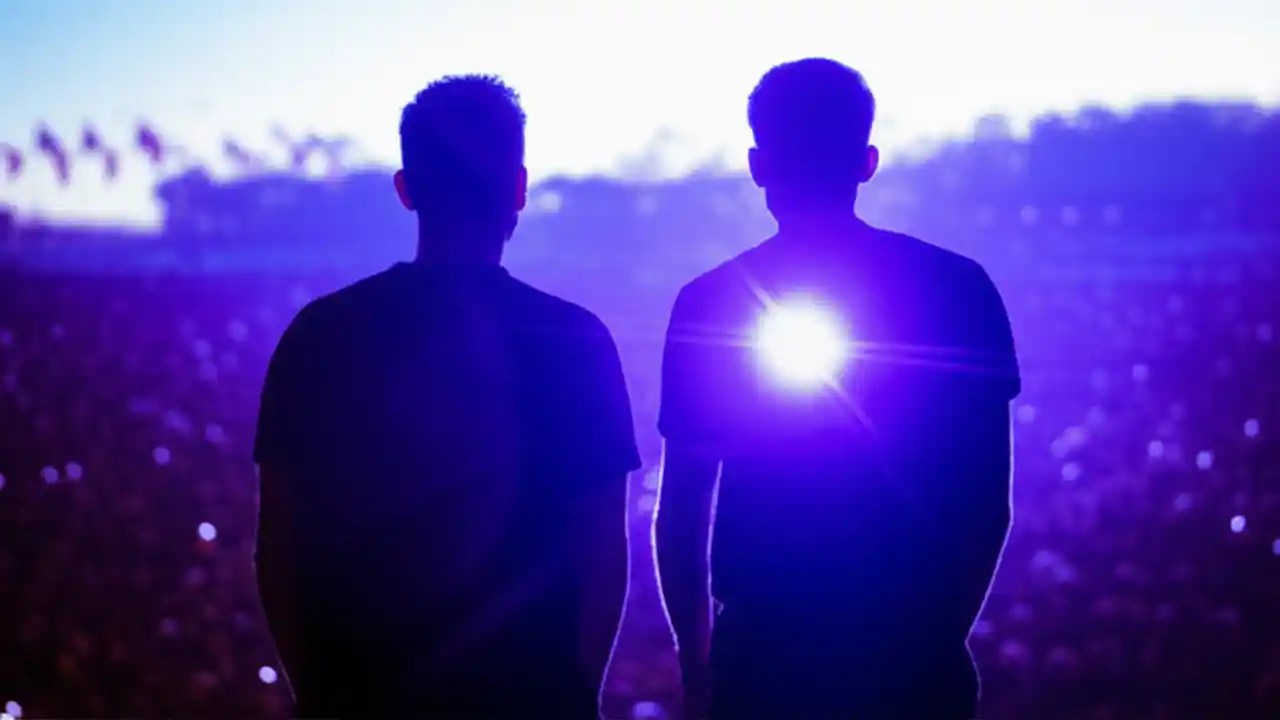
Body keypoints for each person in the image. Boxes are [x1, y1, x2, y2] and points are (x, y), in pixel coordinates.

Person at [254, 75, 640, 719]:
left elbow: (279, 547)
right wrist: (576, 694)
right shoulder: (577, 340)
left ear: (406, 190)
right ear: (518, 188)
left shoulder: (320, 335)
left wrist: (318, 696)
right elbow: (603, 549)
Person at [655, 58, 1020, 720]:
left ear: (758, 164)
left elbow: (682, 513)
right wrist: (936, 636)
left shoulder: (710, 304)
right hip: (912, 652)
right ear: (867, 160)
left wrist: (696, 659)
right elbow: (987, 503)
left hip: (764, 658)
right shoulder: (959, 288)